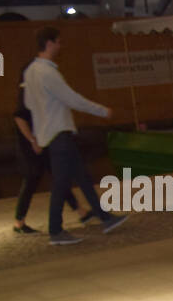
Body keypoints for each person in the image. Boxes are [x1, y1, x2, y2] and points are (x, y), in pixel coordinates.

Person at [23, 26, 127, 245]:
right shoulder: (48, 72)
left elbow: (28, 105)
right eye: (59, 42)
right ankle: (55, 231)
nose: (61, 46)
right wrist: (102, 110)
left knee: (82, 177)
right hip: (59, 133)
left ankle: (105, 218)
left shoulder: (30, 72)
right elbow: (72, 99)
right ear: (49, 43)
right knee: (61, 183)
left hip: (49, 135)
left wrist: (36, 134)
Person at [12, 63, 82, 234]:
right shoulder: (25, 93)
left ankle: (81, 211)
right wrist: (32, 140)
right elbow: (19, 118)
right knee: (32, 179)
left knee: (58, 175)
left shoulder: (35, 93)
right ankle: (19, 221)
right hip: (32, 144)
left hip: (42, 141)